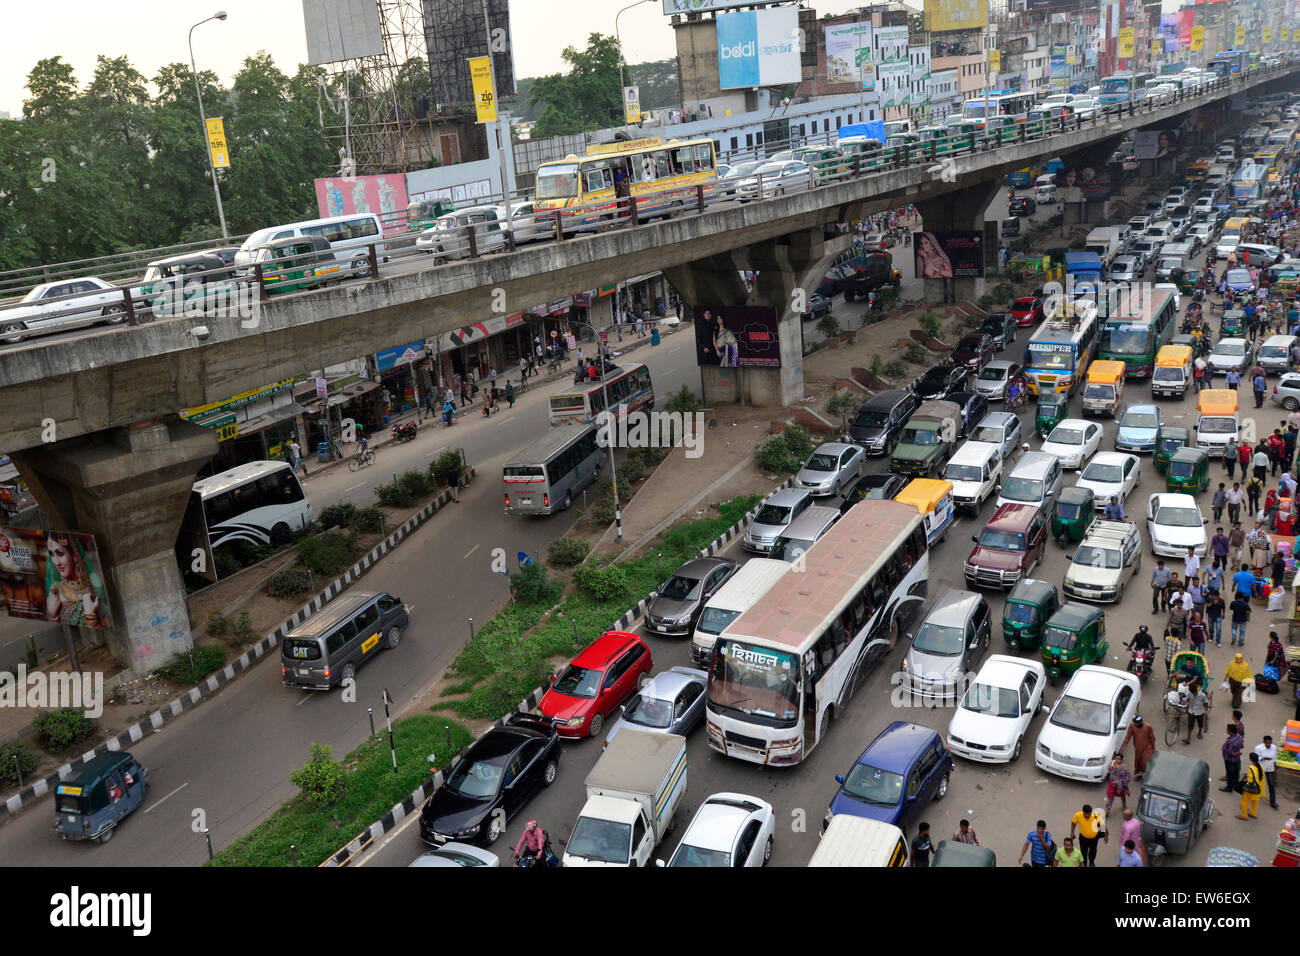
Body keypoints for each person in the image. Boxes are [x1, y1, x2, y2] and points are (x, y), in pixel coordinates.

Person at [1255, 735, 1280, 810]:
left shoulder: (1274, 747)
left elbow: (1275, 758)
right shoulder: (1258, 748)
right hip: (1261, 768)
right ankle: (1257, 795)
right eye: (1267, 743)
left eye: (1270, 743)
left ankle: (1273, 802)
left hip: (1270, 769)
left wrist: (1275, 769)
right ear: (1264, 742)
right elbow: (1255, 758)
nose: (1269, 745)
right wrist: (1263, 758)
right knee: (1258, 783)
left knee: (1271, 785)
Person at [1238, 752, 1266, 820]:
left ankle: (1244, 816)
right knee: (1255, 801)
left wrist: (1246, 777)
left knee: (1244, 801)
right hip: (1258, 789)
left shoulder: (1251, 768)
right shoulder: (1261, 767)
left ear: (1250, 759)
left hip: (1251, 789)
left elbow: (1250, 780)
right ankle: (1253, 814)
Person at [1222, 723, 1244, 793]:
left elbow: (1231, 753)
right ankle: (1235, 784)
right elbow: (1241, 745)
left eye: (1227, 729)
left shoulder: (1230, 742)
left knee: (1230, 773)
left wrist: (1236, 753)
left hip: (1229, 759)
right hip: (1237, 759)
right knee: (1236, 772)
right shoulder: (1239, 737)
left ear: (1230, 731)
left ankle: (1229, 787)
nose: (1226, 730)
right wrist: (1238, 752)